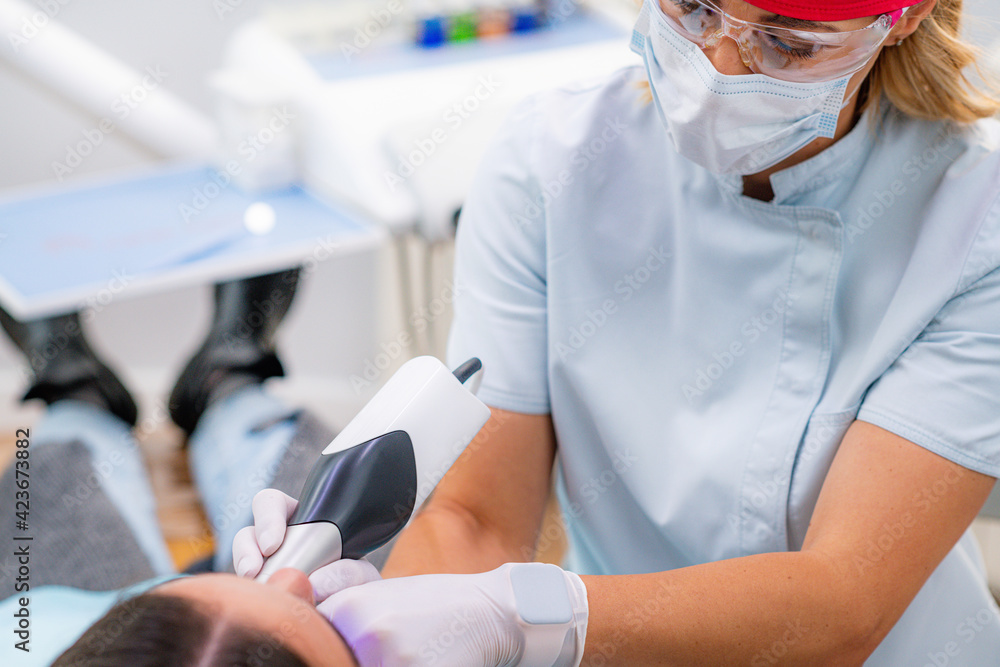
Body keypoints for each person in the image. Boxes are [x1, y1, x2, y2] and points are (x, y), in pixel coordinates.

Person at [236, 0, 1000, 664]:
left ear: (903, 21)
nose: (719, 65)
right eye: (693, 6)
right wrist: (361, 620)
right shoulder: (553, 160)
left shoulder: (974, 222)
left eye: (790, 44)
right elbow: (475, 519)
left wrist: (522, 613)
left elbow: (841, 605)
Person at [0, 269, 356, 666]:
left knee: (58, 471)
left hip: (61, 624)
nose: (292, 580)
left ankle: (74, 387)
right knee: (321, 479)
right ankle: (229, 377)